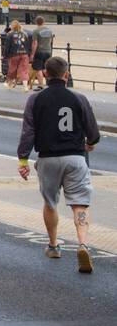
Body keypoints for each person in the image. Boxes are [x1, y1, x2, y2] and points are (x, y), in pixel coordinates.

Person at [17, 55, 101, 273]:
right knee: (80, 203)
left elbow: (29, 131)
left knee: (50, 203)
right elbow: (93, 132)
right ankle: (82, 243)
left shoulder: (35, 100)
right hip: (76, 157)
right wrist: (90, 143)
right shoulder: (79, 99)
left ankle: (53, 245)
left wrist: (23, 159)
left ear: (44, 74)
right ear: (67, 75)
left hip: (48, 158)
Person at [26, 16, 55, 92]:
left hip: (39, 52)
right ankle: (51, 83)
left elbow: (35, 43)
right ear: (43, 22)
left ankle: (41, 85)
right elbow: (51, 41)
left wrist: (32, 54)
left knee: (38, 69)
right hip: (48, 51)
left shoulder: (36, 31)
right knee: (47, 68)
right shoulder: (49, 31)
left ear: (36, 22)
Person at [5, 19, 31, 88]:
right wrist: (29, 53)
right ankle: (25, 87)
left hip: (14, 54)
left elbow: (7, 46)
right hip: (25, 54)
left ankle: (9, 84)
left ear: (12, 26)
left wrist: (5, 55)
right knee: (24, 70)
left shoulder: (10, 34)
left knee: (12, 69)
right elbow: (28, 45)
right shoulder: (25, 34)